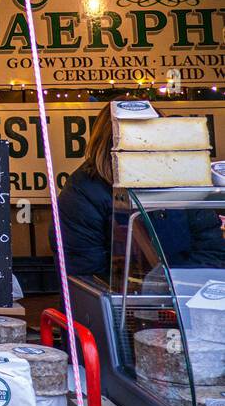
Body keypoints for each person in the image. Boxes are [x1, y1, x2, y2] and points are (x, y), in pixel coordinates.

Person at [58, 102, 225, 279]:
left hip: (185, 299)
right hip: (121, 302)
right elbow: (86, 275)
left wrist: (173, 281)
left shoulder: (185, 179)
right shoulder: (81, 193)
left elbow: (212, 251)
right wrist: (146, 285)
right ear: (111, 145)